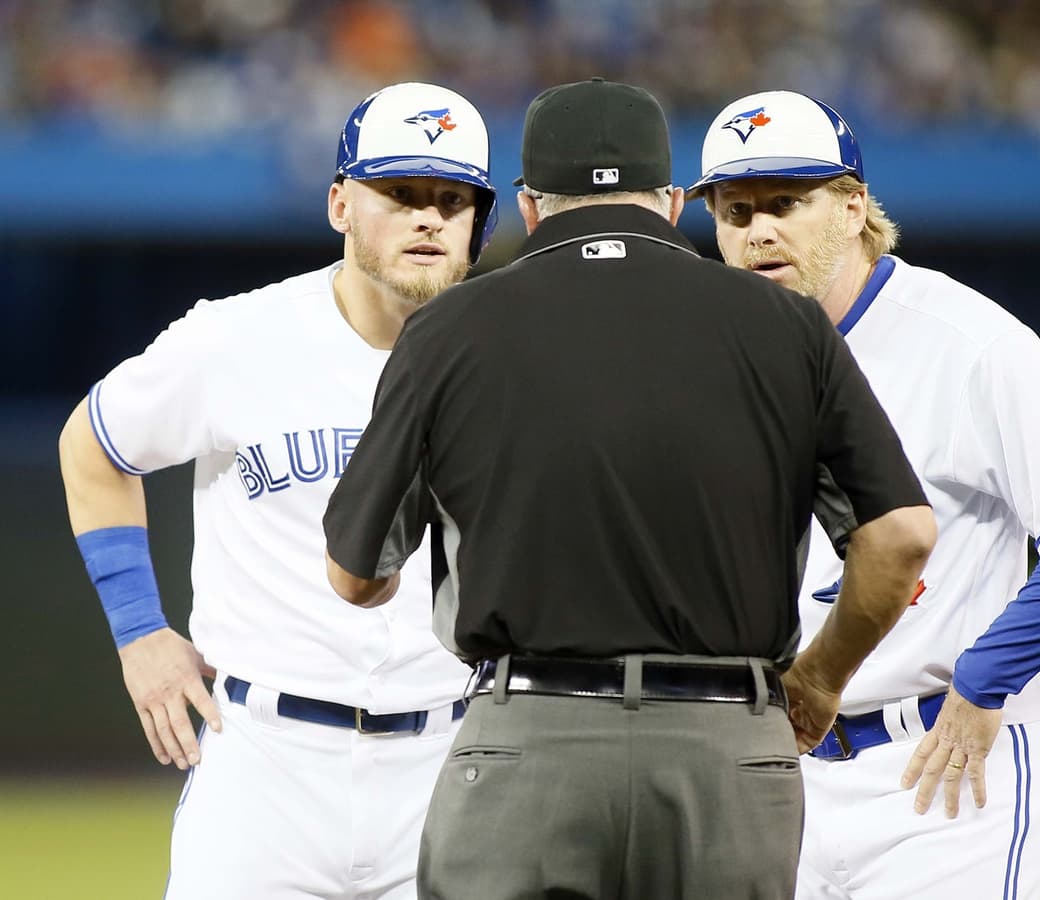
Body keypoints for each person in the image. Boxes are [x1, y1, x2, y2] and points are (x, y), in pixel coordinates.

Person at [323, 77, 936, 900]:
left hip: (526, 745)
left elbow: (356, 574)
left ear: (531, 206)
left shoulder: (449, 330)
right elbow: (900, 536)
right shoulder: (788, 327)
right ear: (676, 200)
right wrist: (821, 679)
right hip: (728, 747)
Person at [688, 89, 1040, 899]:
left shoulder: (965, 341)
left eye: (786, 203)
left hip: (952, 760)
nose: (758, 229)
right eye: (735, 210)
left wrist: (985, 682)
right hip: (790, 770)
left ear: (853, 206)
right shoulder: (720, 358)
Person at [58, 81, 498, 899]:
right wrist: (138, 631)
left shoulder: (512, 362)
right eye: (399, 193)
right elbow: (92, 445)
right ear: (340, 203)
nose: (428, 218)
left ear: (480, 220)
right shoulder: (235, 339)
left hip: (449, 762)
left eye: (451, 198)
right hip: (265, 765)